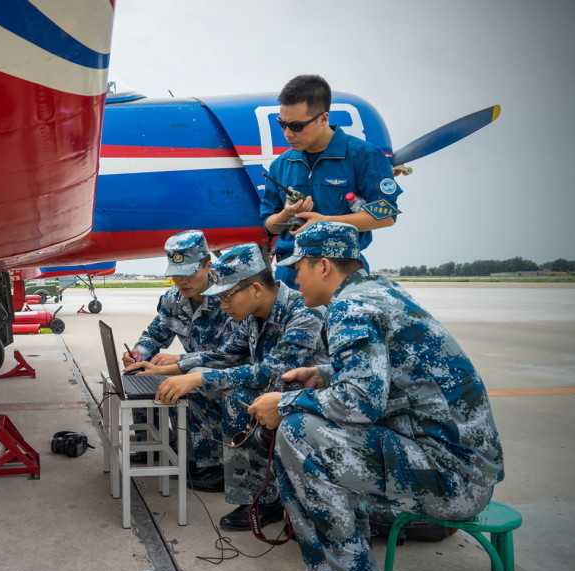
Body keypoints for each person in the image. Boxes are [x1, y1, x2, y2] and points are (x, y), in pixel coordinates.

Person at [249, 222, 504, 571]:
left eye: (298, 266)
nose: (292, 277)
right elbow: (389, 376)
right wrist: (322, 376)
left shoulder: (351, 306)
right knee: (315, 422)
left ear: (324, 267)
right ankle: (351, 562)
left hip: (454, 481)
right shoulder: (379, 292)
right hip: (466, 469)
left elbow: (360, 402)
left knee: (299, 432)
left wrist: (282, 403)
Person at [127, 243, 326, 531]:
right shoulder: (253, 316)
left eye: (226, 297)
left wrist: (197, 377)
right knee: (200, 382)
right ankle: (244, 486)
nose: (222, 305)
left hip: (308, 404)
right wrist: (168, 370)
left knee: (236, 395)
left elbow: (274, 371)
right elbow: (222, 355)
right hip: (277, 397)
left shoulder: (303, 312)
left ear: (256, 289)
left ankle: (265, 498)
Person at [260, 74, 403, 289]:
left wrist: (325, 222)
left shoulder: (364, 156)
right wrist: (286, 214)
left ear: (323, 118)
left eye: (297, 126)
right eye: (282, 124)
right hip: (289, 278)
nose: (288, 133)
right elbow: (268, 225)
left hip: (341, 276)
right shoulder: (281, 164)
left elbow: (386, 216)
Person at [122, 230, 237, 491]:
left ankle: (211, 465)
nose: (181, 281)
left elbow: (233, 354)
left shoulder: (228, 297)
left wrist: (180, 361)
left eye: (189, 273)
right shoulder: (174, 299)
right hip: (192, 369)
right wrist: (139, 353)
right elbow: (154, 334)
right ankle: (152, 447)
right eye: (176, 273)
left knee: (187, 380)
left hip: (228, 378)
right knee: (140, 375)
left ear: (208, 265)